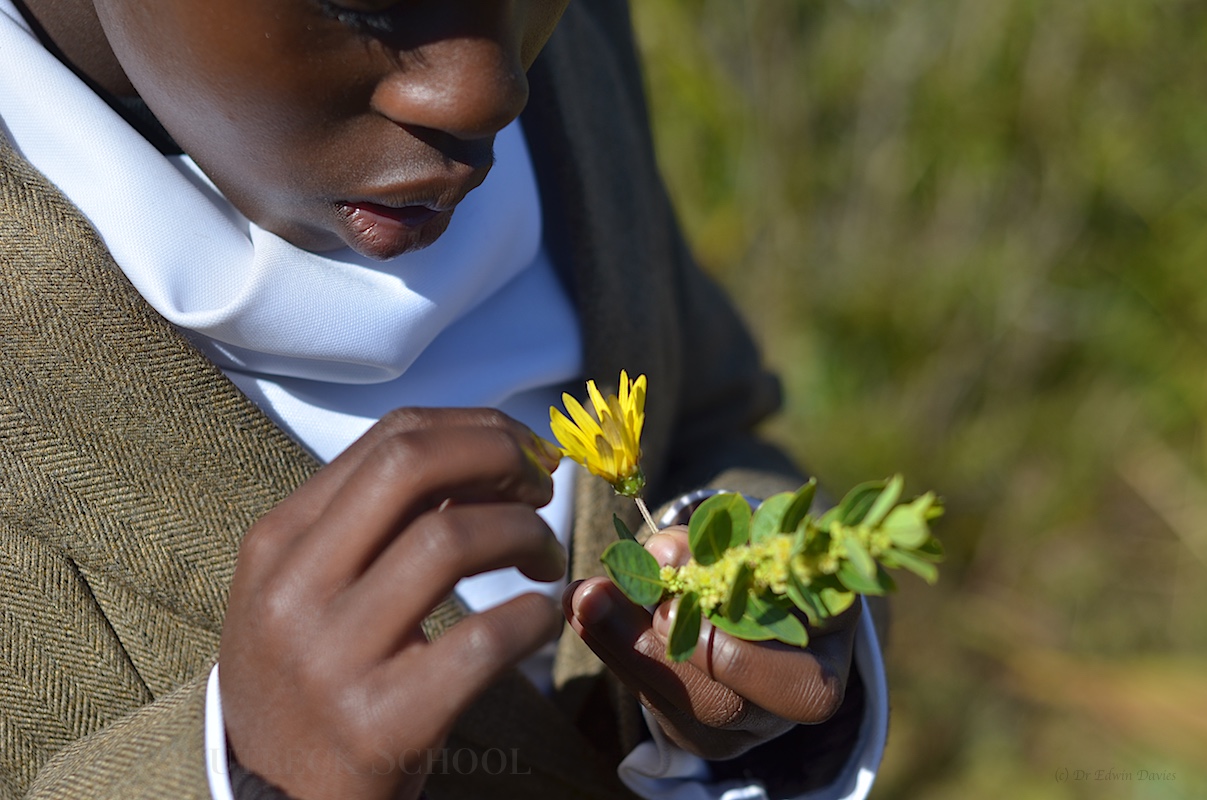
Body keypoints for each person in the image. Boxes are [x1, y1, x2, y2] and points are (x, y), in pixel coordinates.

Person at [0, 1, 888, 798]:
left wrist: (753, 596)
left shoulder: (570, 44)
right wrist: (236, 774)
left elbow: (709, 419)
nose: (486, 96)